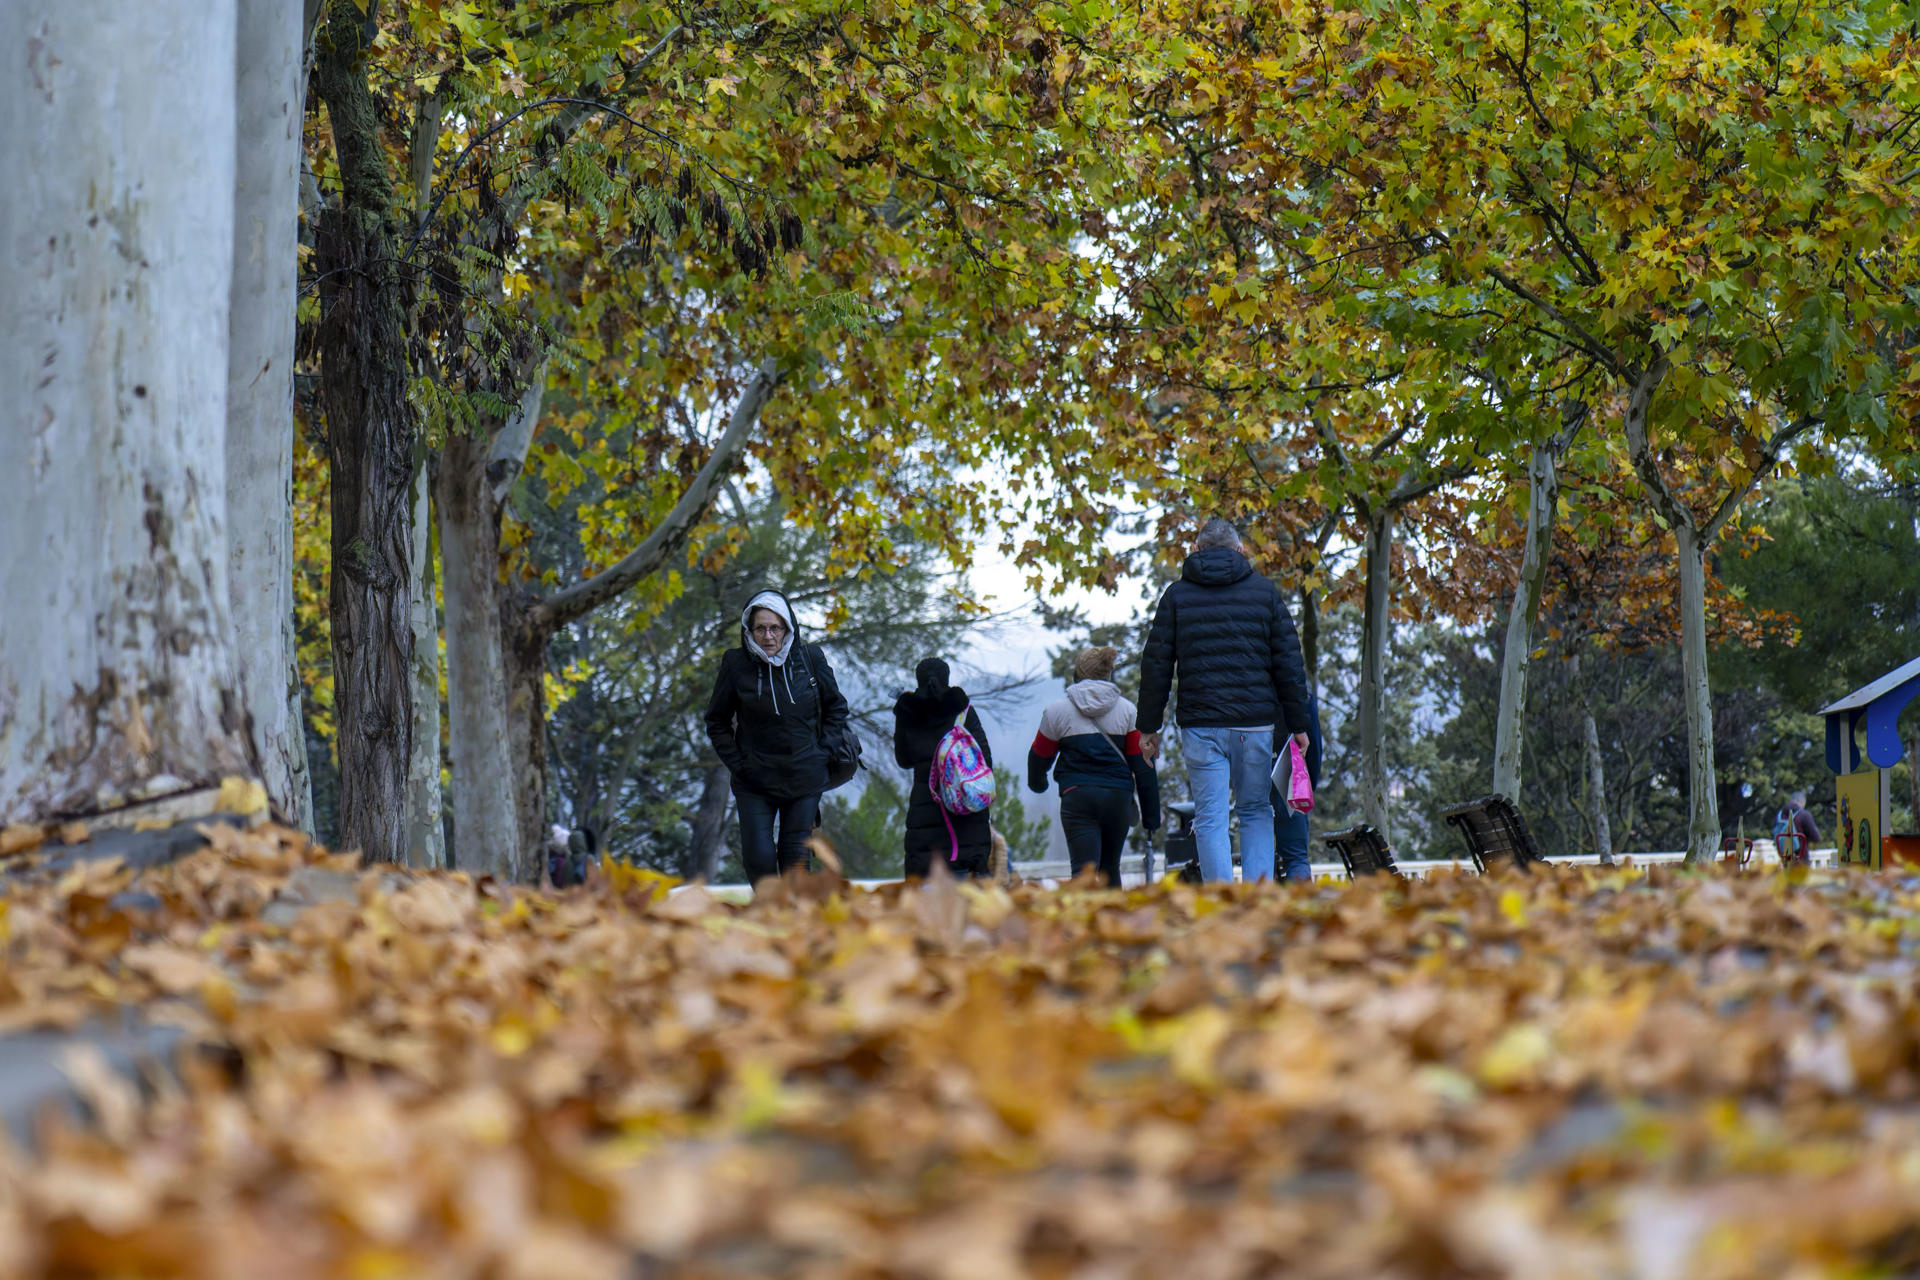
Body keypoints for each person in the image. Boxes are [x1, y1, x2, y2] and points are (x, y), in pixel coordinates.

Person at [1137, 518, 1312, 884]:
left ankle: (1220, 901)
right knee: (1255, 810)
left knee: (1210, 817)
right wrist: (1299, 725)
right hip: (1255, 724)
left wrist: (1149, 727)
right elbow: (1289, 664)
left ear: (1195, 550)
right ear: (1241, 550)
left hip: (1201, 724)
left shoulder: (1176, 597)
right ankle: (1258, 899)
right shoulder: (1264, 593)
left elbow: (1156, 665)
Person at [703, 590, 850, 884]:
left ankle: (795, 913)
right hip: (755, 780)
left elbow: (836, 708)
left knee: (796, 860)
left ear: (788, 627)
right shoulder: (735, 663)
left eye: (775, 628)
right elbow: (716, 720)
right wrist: (740, 765)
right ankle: (769, 909)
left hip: (805, 776)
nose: (768, 636)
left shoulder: (810, 658)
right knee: (759, 858)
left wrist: (823, 751)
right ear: (749, 630)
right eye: (760, 628)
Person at [1028, 646, 1161, 886]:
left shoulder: (1057, 710)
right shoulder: (1128, 711)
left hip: (1078, 796)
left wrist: (1038, 783)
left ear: (1078, 673)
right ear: (1109, 673)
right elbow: (1143, 767)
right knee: (1111, 868)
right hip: (1117, 798)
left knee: (1083, 872)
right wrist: (1151, 817)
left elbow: (1040, 755)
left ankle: (1082, 911)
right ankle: (1114, 910)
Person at [893, 658, 994, 878]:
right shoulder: (962, 710)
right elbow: (984, 758)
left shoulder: (907, 713)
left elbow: (903, 759)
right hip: (964, 810)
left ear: (918, 679)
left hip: (924, 806)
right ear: (947, 678)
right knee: (970, 889)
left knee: (925, 882)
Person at [1270, 686, 1324, 883]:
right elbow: (1314, 749)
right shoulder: (1299, 694)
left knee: (1258, 850)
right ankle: (1301, 900)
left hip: (1254, 771)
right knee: (1296, 857)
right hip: (1291, 776)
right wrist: (1308, 786)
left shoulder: (1251, 686)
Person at [1773, 789, 1820, 863]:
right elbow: (1816, 837)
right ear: (1801, 802)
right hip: (1801, 858)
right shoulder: (1804, 815)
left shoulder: (1779, 815)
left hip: (1785, 858)